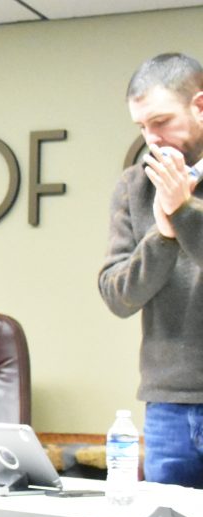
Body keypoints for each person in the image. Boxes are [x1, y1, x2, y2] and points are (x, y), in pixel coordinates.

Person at [100, 52, 203, 489]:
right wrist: (161, 236)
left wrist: (182, 212)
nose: (151, 139)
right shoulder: (134, 186)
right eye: (141, 127)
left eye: (160, 121)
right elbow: (117, 295)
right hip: (167, 403)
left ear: (199, 105)